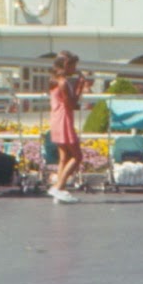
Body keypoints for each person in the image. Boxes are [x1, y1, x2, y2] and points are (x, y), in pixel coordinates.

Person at [47, 51, 90, 203]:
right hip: (64, 118)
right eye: (73, 65)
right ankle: (58, 187)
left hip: (56, 118)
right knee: (77, 156)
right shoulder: (63, 82)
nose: (75, 68)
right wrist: (79, 87)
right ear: (67, 66)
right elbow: (71, 104)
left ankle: (60, 190)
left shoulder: (55, 80)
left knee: (64, 157)